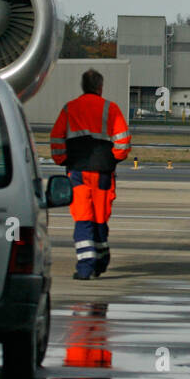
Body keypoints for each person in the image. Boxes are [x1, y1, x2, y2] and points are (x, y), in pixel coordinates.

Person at [50, 69, 131, 280]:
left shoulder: (70, 108)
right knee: (100, 217)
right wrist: (113, 158)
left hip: (77, 170)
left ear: (83, 86)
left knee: (82, 216)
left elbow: (56, 138)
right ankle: (100, 260)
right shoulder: (110, 108)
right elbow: (123, 141)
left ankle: (86, 266)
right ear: (100, 87)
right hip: (103, 171)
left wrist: (62, 160)